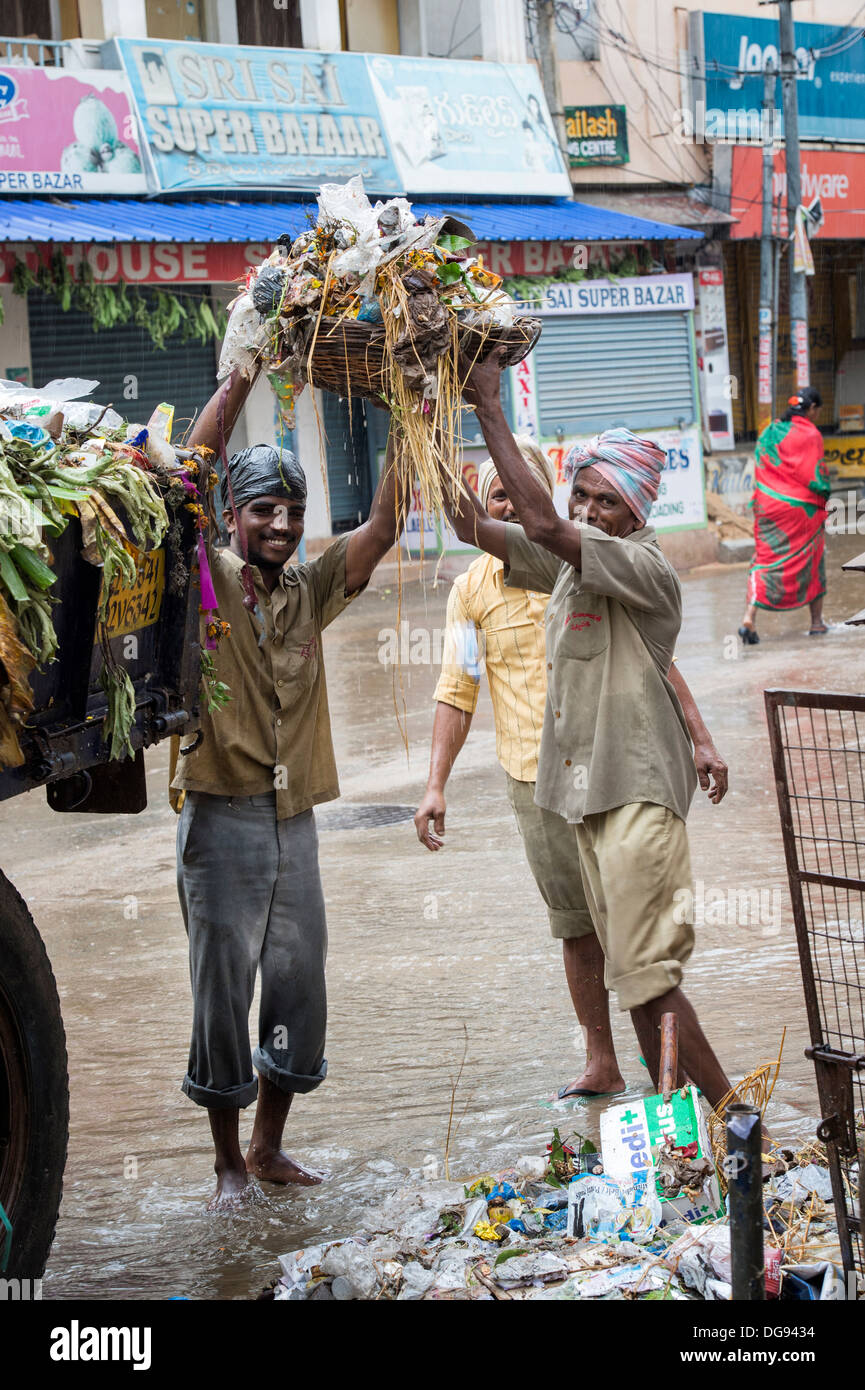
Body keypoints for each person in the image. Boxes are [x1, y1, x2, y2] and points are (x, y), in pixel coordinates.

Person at [440, 349, 738, 1118]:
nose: (589, 511)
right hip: (582, 801)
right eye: (583, 496)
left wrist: (490, 406)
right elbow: (471, 522)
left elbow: (539, 520)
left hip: (637, 797)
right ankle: (682, 1131)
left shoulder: (644, 567)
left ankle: (740, 1119)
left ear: (637, 511)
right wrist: (425, 415)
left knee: (650, 977)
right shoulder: (567, 569)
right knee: (630, 979)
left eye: (606, 500)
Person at [173, 371, 407, 1208]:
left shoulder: (309, 594)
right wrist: (240, 374)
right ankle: (228, 1164)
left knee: (298, 987)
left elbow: (382, 526)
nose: (279, 526)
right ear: (233, 520)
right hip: (219, 822)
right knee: (221, 992)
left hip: (293, 825)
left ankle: (270, 1149)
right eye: (263, 511)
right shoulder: (207, 582)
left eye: (293, 513)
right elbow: (192, 475)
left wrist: (411, 411)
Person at [739, 387, 831, 644]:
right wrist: (826, 496)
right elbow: (816, 475)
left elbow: (761, 466)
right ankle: (816, 623)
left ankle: (749, 617)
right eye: (818, 411)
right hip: (801, 509)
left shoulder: (770, 431)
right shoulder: (811, 434)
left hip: (768, 506)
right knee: (812, 559)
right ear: (812, 409)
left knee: (764, 559)